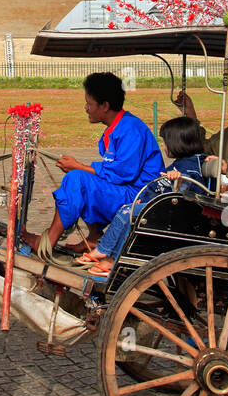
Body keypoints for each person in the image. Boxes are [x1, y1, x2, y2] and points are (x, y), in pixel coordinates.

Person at [21, 72, 164, 257]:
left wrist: (78, 167)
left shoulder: (130, 129)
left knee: (77, 180)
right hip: (127, 189)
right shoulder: (117, 127)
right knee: (82, 179)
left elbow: (121, 174)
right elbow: (109, 170)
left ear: (105, 106)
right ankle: (94, 237)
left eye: (89, 103)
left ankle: (48, 241)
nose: (86, 108)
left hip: (140, 196)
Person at [77, 117, 211, 276]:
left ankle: (110, 256)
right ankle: (106, 250)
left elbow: (184, 193)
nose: (164, 146)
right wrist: (145, 198)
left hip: (176, 214)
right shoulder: (182, 162)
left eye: (166, 142)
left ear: (178, 142)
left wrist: (178, 179)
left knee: (130, 213)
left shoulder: (190, 166)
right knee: (127, 209)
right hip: (162, 206)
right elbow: (158, 187)